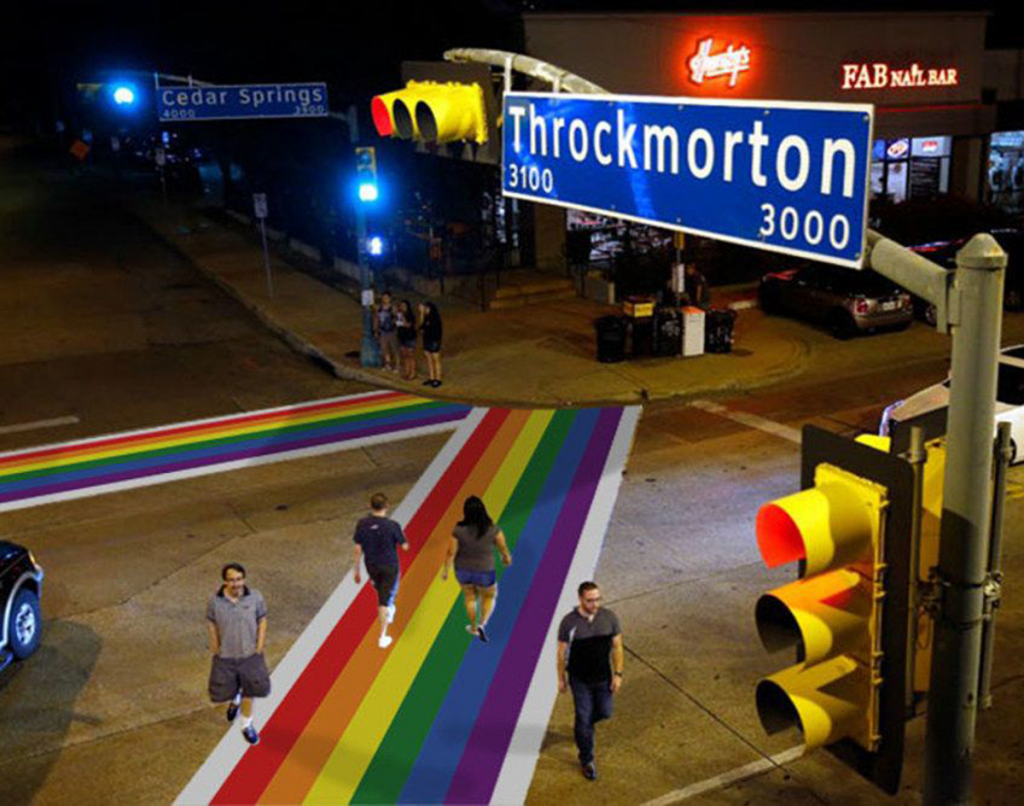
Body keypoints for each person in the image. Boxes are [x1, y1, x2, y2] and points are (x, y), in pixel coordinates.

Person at [557, 581, 624, 781]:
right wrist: (561, 678)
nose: (595, 604)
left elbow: (617, 647)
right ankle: (586, 759)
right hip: (580, 679)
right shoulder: (569, 622)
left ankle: (582, 727)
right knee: (584, 717)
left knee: (605, 712)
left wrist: (618, 674)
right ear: (580, 599)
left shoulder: (609, 618)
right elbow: (561, 653)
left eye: (597, 599)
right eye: (590, 600)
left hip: (603, 677)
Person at [206, 562, 270, 746]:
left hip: (250, 655)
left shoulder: (255, 598)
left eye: (239, 579)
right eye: (232, 580)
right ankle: (235, 700)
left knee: (251, 690)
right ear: (225, 582)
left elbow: (262, 619)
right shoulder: (215, 602)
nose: (237, 584)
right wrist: (215, 647)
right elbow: (211, 622)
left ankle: (246, 725)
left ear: (244, 579)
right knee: (223, 690)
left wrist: (259, 646)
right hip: (226, 657)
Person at [441, 495, 512, 643]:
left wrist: (446, 571)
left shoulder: (458, 530)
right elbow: (503, 548)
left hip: (463, 570)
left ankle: (473, 626)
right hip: (485, 570)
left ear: (465, 512)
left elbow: (451, 553)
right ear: (483, 510)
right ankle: (482, 624)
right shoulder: (493, 529)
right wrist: (506, 558)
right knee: (489, 596)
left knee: (469, 597)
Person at [353, 492, 409, 649]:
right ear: (387, 507)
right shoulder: (392, 525)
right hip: (390, 566)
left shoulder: (362, 524)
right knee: (384, 600)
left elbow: (358, 549)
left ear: (370, 506)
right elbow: (405, 546)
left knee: (382, 591)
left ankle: (389, 606)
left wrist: (356, 571)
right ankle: (382, 636)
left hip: (371, 566)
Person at [419, 301, 443, 388]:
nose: (425, 310)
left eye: (426, 308)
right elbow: (421, 327)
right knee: (429, 359)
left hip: (434, 340)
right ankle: (432, 377)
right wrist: (421, 314)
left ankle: (438, 378)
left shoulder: (435, 318)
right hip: (427, 340)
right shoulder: (426, 317)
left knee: (435, 359)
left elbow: (436, 331)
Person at [374, 291, 400, 374]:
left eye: (387, 298)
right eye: (384, 297)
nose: (385, 299)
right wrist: (375, 329)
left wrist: (395, 324)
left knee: (394, 348)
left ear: (390, 298)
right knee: (384, 349)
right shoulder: (379, 308)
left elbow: (397, 318)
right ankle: (387, 364)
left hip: (392, 331)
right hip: (383, 331)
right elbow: (376, 318)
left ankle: (397, 366)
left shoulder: (393, 308)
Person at [396, 299, 418, 381]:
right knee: (405, 355)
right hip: (402, 337)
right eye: (401, 306)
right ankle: (407, 371)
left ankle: (412, 372)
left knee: (410, 355)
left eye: (404, 306)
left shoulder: (410, 315)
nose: (402, 307)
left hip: (410, 337)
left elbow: (408, 325)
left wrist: (402, 317)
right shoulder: (398, 315)